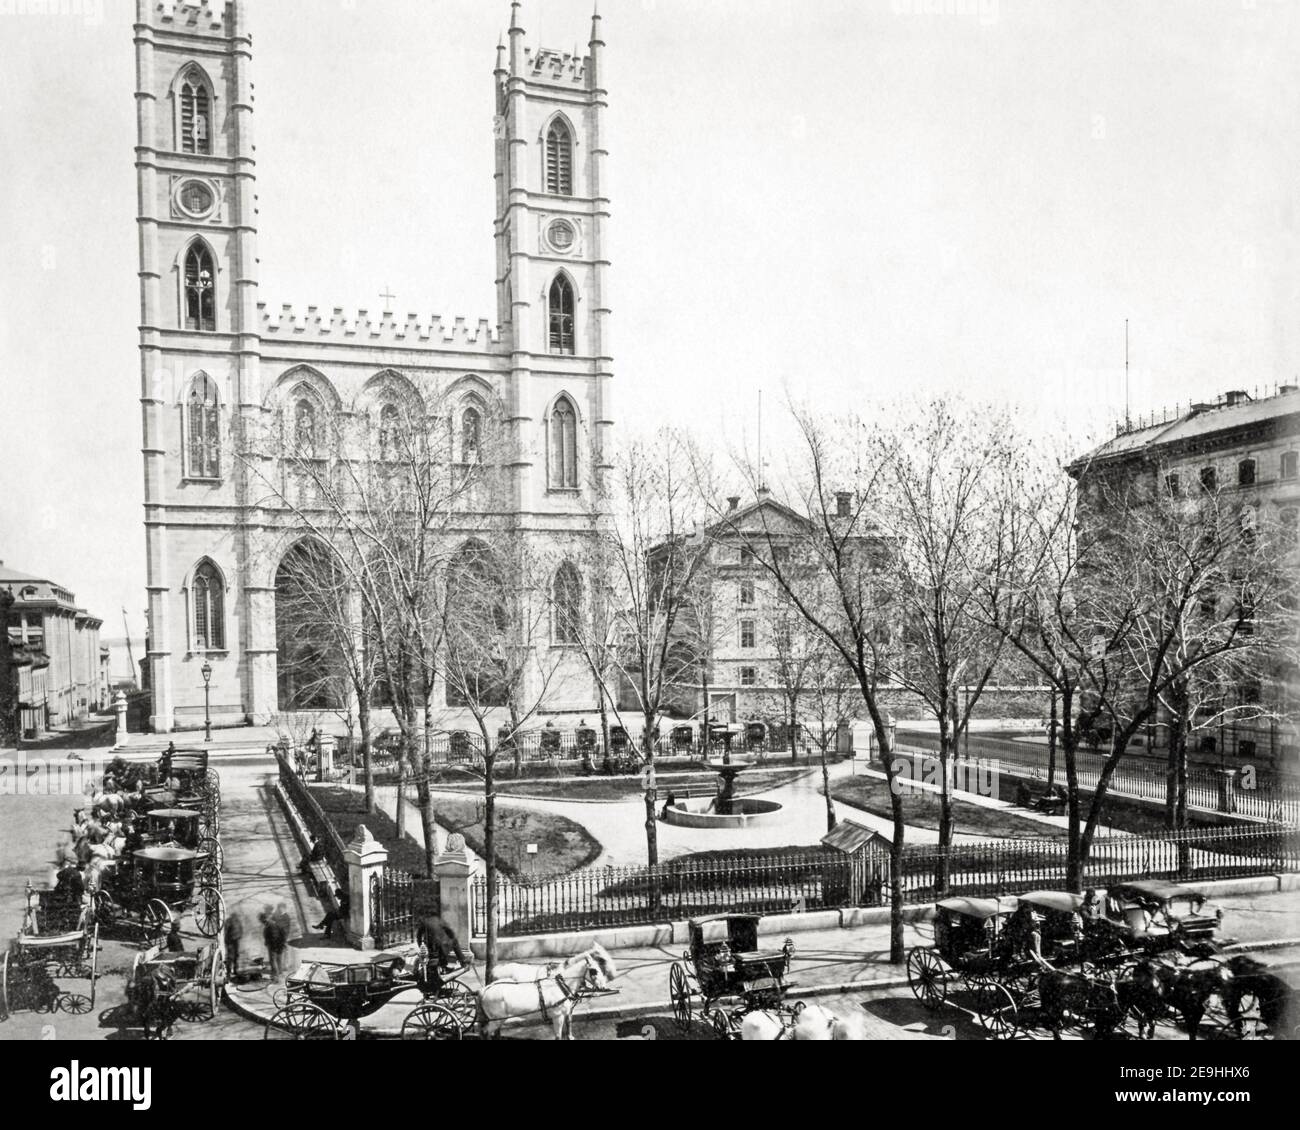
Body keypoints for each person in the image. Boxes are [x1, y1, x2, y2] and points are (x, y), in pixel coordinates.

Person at [262, 904, 289, 980]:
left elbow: (266, 935)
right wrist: (283, 943)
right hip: (280, 944)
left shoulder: (268, 926)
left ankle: (275, 975)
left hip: (272, 945)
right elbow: (283, 934)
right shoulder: (279, 924)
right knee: (279, 959)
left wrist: (267, 943)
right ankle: (280, 972)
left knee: (273, 960)